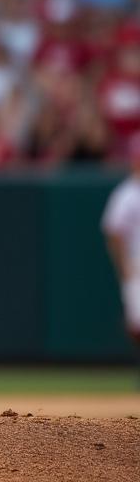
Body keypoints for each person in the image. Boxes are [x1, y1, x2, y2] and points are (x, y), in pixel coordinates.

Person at [102, 134, 140, 367]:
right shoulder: (125, 194)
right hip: (136, 265)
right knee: (137, 323)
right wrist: (124, 266)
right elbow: (114, 234)